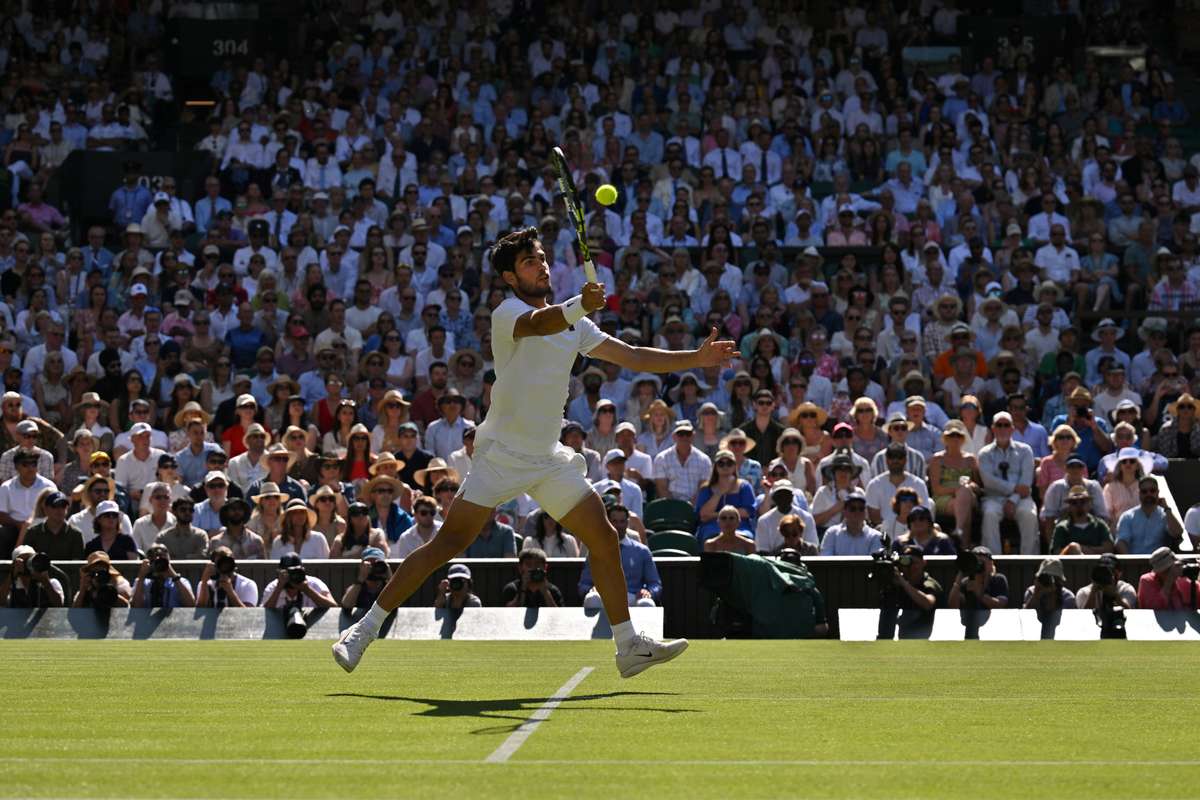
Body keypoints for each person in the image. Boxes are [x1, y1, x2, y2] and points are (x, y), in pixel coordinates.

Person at [334, 227, 733, 677]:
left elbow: (633, 355)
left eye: (541, 258)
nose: (540, 266)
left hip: (548, 459)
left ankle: (628, 646)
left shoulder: (575, 324)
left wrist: (694, 359)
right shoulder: (509, 314)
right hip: (501, 457)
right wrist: (581, 303)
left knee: (603, 537)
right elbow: (542, 324)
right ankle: (362, 630)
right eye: (529, 262)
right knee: (446, 545)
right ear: (509, 276)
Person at [579, 503, 662, 609]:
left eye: (622, 522)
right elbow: (583, 584)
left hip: (633, 597)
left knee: (647, 603)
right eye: (614, 521)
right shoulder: (595, 550)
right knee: (592, 598)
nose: (618, 526)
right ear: (608, 522)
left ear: (627, 523)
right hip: (604, 597)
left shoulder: (642, 551)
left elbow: (655, 584)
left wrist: (648, 592)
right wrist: (591, 589)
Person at [977, 412, 1038, 554]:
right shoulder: (984, 453)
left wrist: (1012, 499)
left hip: (1021, 499)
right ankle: (991, 561)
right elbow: (989, 481)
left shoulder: (1025, 451)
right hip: (993, 498)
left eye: (1006, 425)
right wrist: (1014, 488)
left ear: (1012, 428)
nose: (1002, 428)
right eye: (999, 425)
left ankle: (1029, 561)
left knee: (1029, 514)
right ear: (993, 428)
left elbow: (1026, 481)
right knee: (990, 514)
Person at [1116, 476, 1184, 554]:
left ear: (1158, 492)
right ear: (1139, 493)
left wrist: (1167, 509)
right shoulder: (1127, 517)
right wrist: (1131, 562)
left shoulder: (1165, 515)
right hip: (1134, 563)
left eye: (1152, 491)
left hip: (1159, 563)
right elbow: (1121, 542)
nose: (1148, 494)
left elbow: (1177, 533)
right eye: (1144, 491)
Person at [1051, 485, 1115, 555]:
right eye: (1074, 502)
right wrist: (1073, 550)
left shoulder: (1100, 525)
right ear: (1069, 507)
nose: (1079, 505)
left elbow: (1109, 549)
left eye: (1083, 501)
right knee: (1073, 547)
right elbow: (1056, 553)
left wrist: (1084, 549)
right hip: (1070, 565)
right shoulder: (1062, 528)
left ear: (1090, 504)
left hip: (1096, 564)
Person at [819, 488, 884, 555]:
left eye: (861, 508)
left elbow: (874, 563)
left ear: (865, 512)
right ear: (844, 511)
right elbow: (825, 560)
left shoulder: (876, 537)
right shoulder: (832, 534)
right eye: (853, 508)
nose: (857, 512)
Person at [261, 553, 337, 609]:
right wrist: (278, 588)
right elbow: (263, 613)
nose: (291, 576)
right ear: (279, 573)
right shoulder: (273, 587)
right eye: (287, 573)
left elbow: (333, 607)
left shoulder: (314, 584)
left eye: (295, 572)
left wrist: (307, 590)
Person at [131, 544, 195, 609]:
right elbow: (136, 607)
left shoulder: (181, 581)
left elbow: (191, 605)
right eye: (155, 561)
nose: (159, 564)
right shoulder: (142, 582)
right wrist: (141, 576)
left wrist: (174, 576)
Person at [340, 546, 393, 611]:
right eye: (369, 564)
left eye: (377, 564)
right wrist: (360, 579)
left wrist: (390, 576)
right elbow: (346, 606)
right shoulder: (356, 588)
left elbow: (396, 605)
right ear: (362, 566)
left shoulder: (388, 587)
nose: (373, 568)